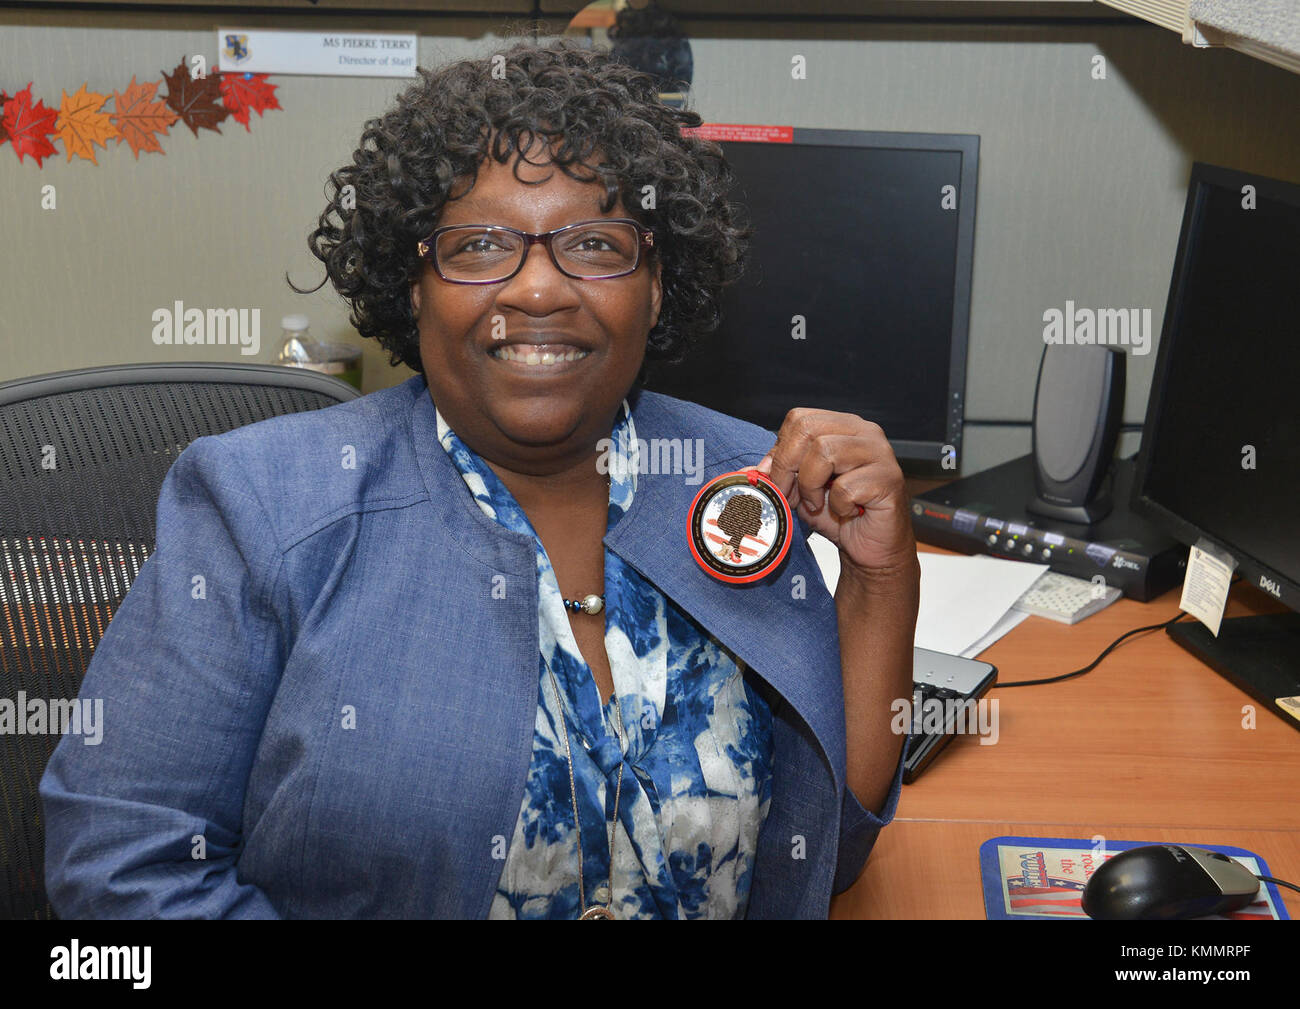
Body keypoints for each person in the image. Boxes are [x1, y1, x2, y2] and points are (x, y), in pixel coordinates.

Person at [40, 36, 918, 919]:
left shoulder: (744, 489)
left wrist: (882, 579)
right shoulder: (258, 504)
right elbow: (121, 866)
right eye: (479, 246)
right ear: (414, 283)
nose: (539, 288)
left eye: (596, 243)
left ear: (656, 284)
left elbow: (819, 857)